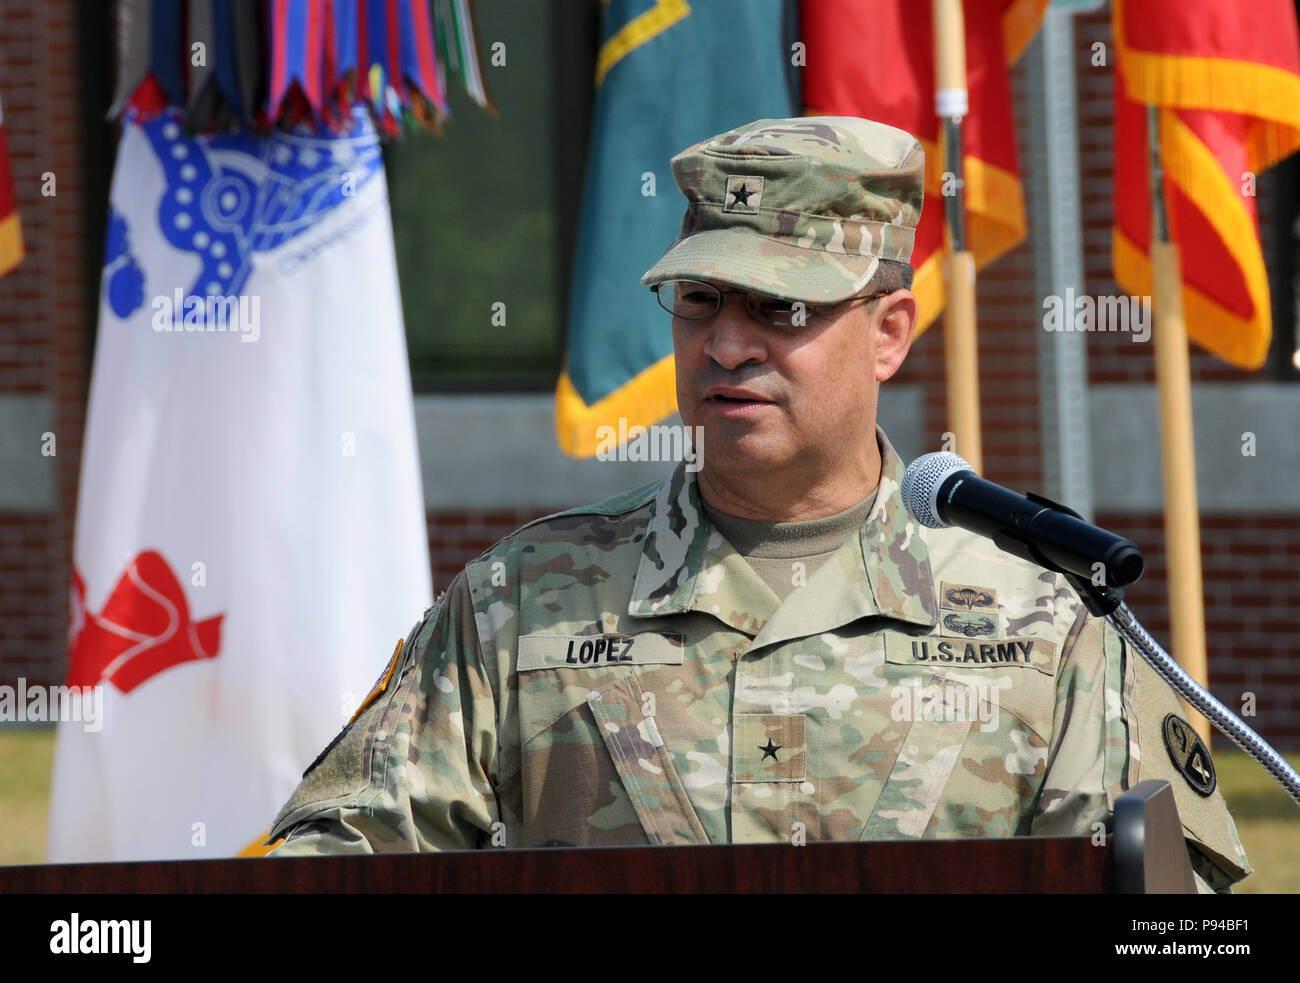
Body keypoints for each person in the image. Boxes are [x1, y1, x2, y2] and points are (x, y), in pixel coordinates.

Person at [265, 116, 1251, 892]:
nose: (727, 344)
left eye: (780, 308)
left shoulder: (1045, 621)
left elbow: (1162, 909)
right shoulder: (524, 601)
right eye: (700, 301)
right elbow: (343, 850)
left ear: (889, 331)